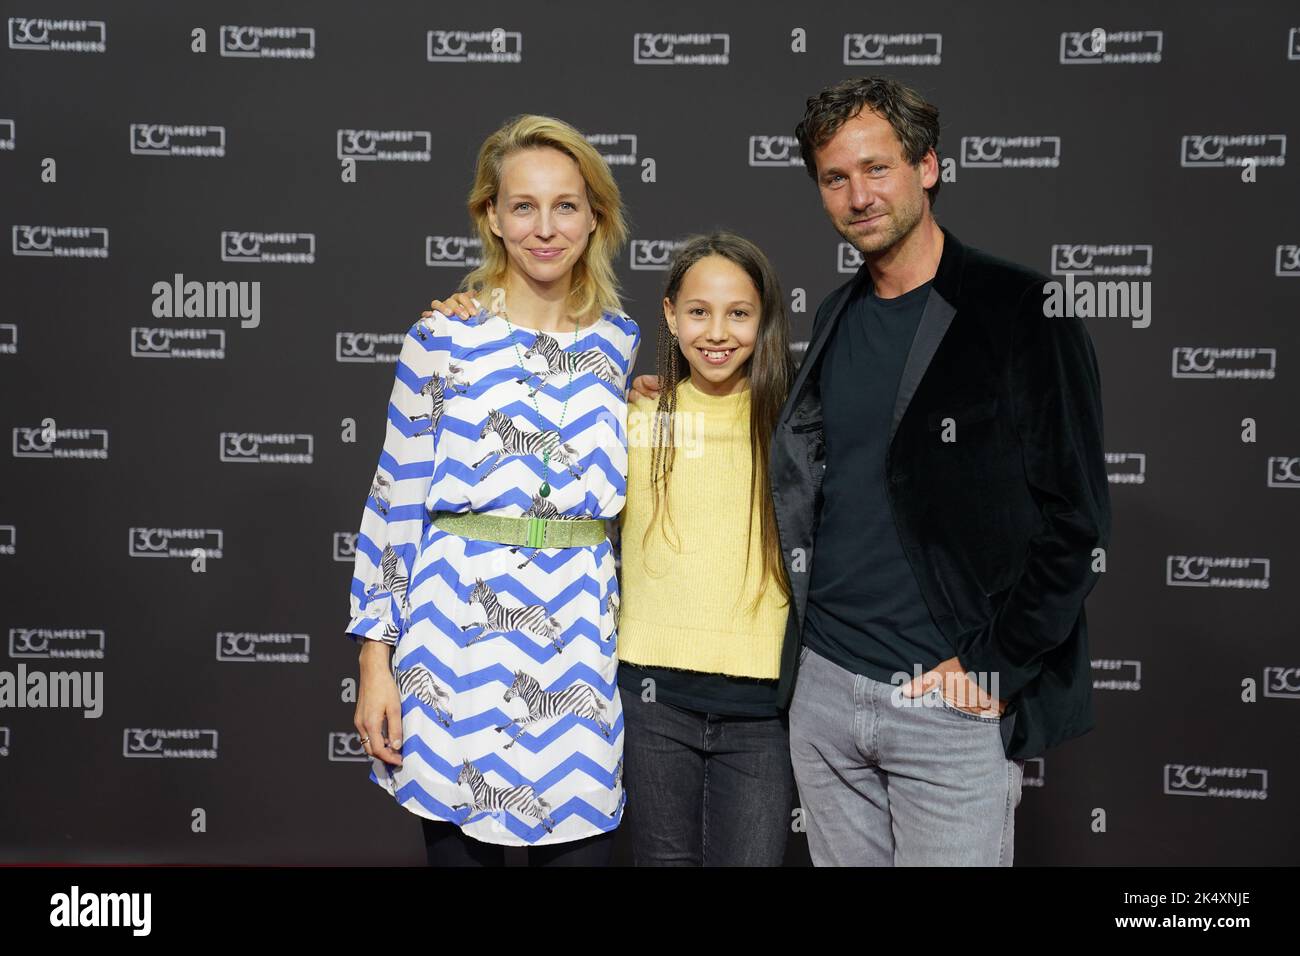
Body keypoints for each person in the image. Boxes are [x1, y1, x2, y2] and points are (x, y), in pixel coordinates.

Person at [634, 75, 1111, 866]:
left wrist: (995, 665)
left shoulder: (1024, 310)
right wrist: (658, 391)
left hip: (947, 706)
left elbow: (1078, 521)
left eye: (877, 168)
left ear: (927, 167)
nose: (859, 194)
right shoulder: (834, 317)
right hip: (823, 692)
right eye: (835, 177)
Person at [430, 232, 798, 866]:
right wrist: (471, 313)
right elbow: (531, 411)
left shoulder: (793, 427)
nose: (717, 331)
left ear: (764, 318)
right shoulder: (633, 419)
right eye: (698, 311)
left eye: (739, 312)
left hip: (763, 708)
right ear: (669, 315)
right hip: (653, 702)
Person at [346, 113, 640, 866]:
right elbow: (396, 501)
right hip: (453, 647)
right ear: (492, 217)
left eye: (566, 205)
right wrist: (374, 663)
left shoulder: (623, 344)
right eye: (523, 206)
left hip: (577, 637)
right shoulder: (440, 339)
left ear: (596, 217)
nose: (546, 228)